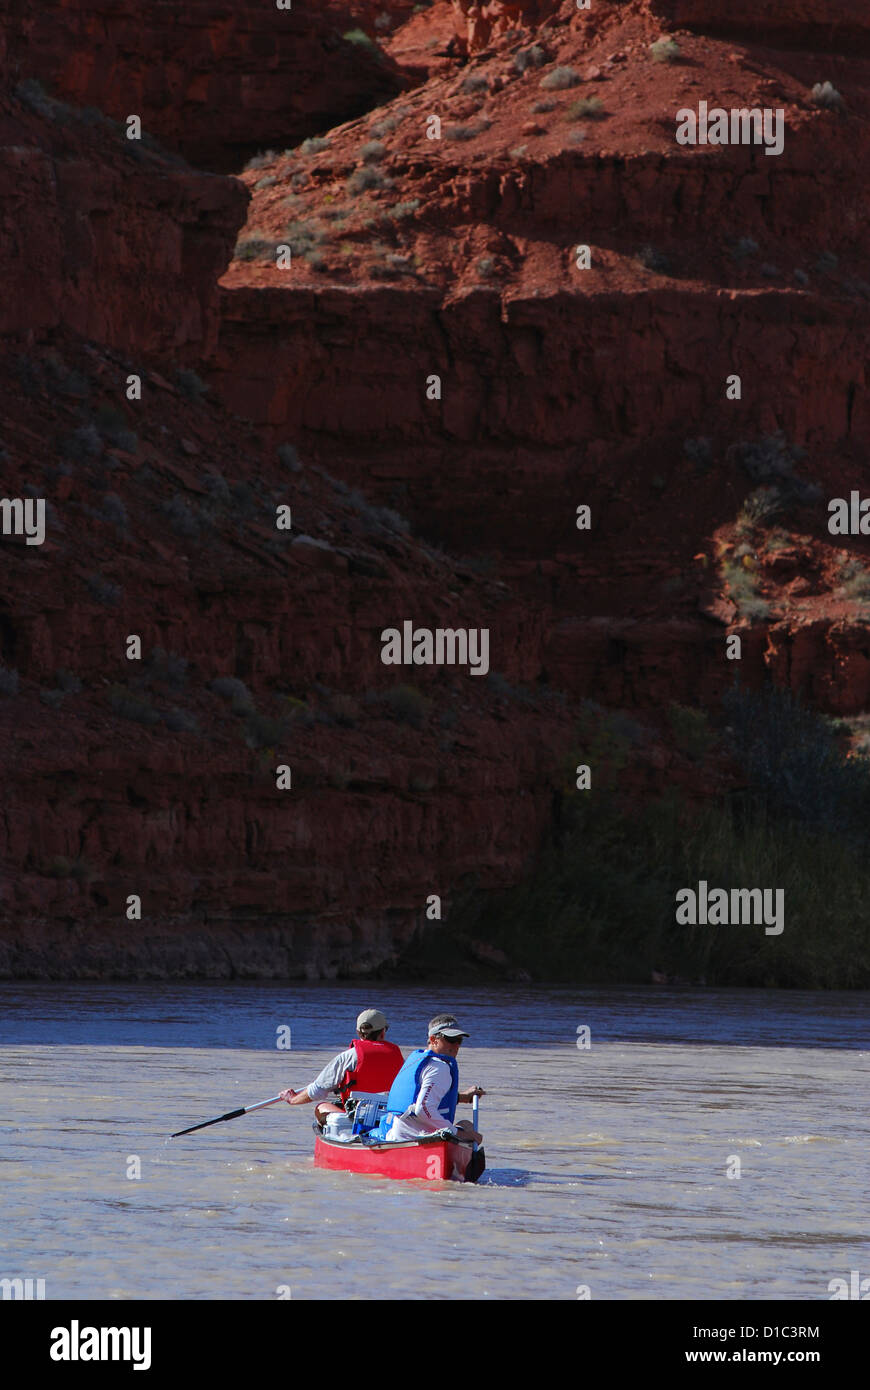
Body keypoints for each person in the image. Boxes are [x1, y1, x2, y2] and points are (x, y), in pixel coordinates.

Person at [279, 1009, 404, 1128]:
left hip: (356, 1115)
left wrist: (293, 1099)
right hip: (388, 1115)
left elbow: (316, 1091)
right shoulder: (398, 1057)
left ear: (358, 1032)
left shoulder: (348, 1056)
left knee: (321, 1108)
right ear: (382, 1032)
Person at [375, 1014, 484, 1143]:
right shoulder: (440, 1067)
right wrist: (457, 1133)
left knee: (465, 1125)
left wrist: (462, 1097)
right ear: (433, 1040)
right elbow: (423, 1109)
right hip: (421, 1139)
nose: (456, 1046)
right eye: (450, 1039)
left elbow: (422, 1099)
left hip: (398, 1135)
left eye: (459, 1040)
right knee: (467, 1126)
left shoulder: (418, 1059)